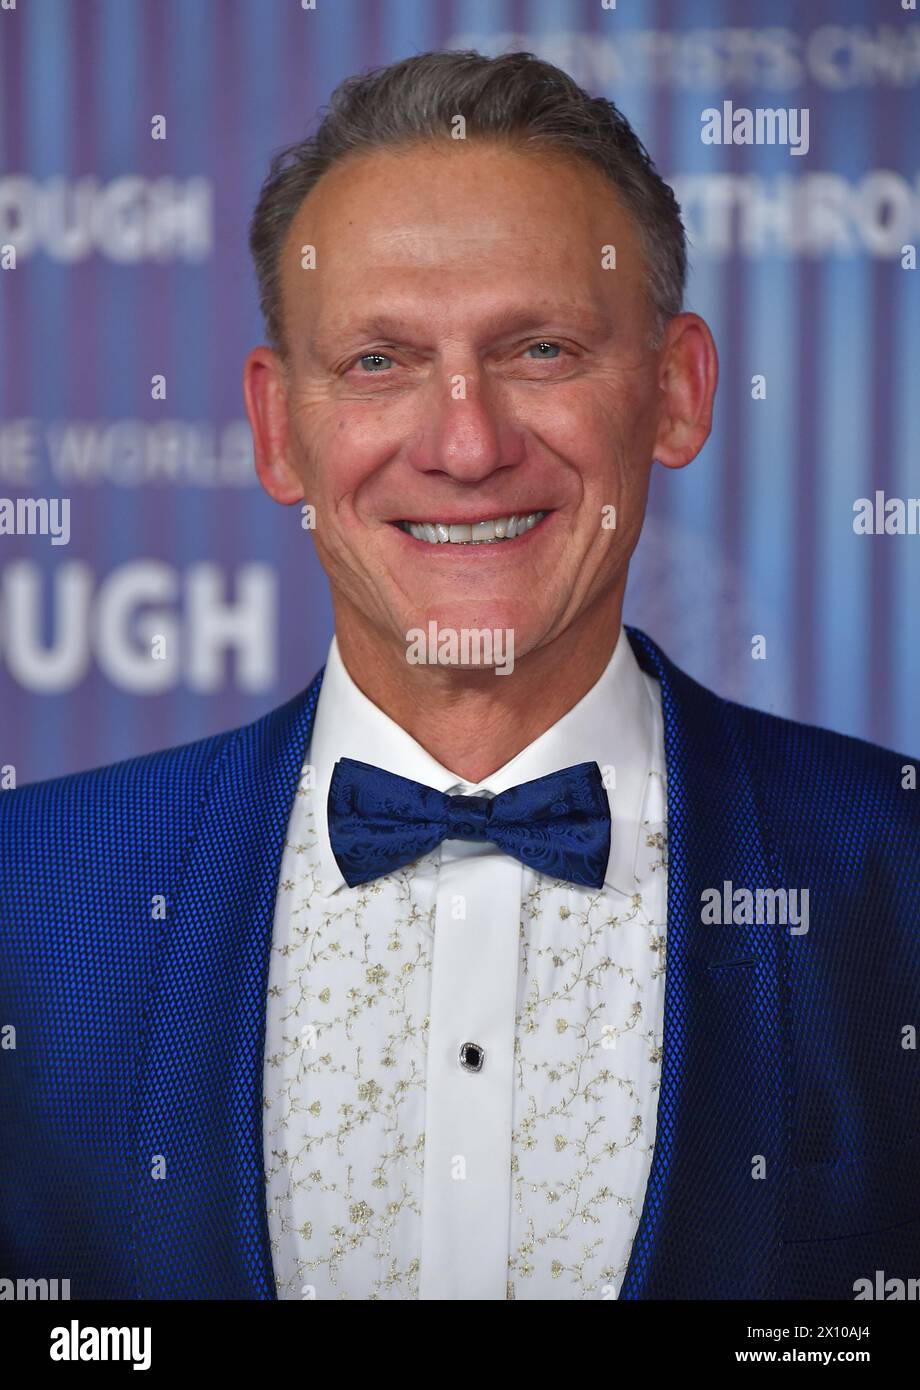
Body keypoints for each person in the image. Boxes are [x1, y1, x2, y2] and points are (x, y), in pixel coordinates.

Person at [1, 50, 917, 1303]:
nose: (467, 443)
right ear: (278, 430)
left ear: (675, 391)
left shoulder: (895, 869)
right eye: (378, 361)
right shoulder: (29, 899)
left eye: (538, 349)